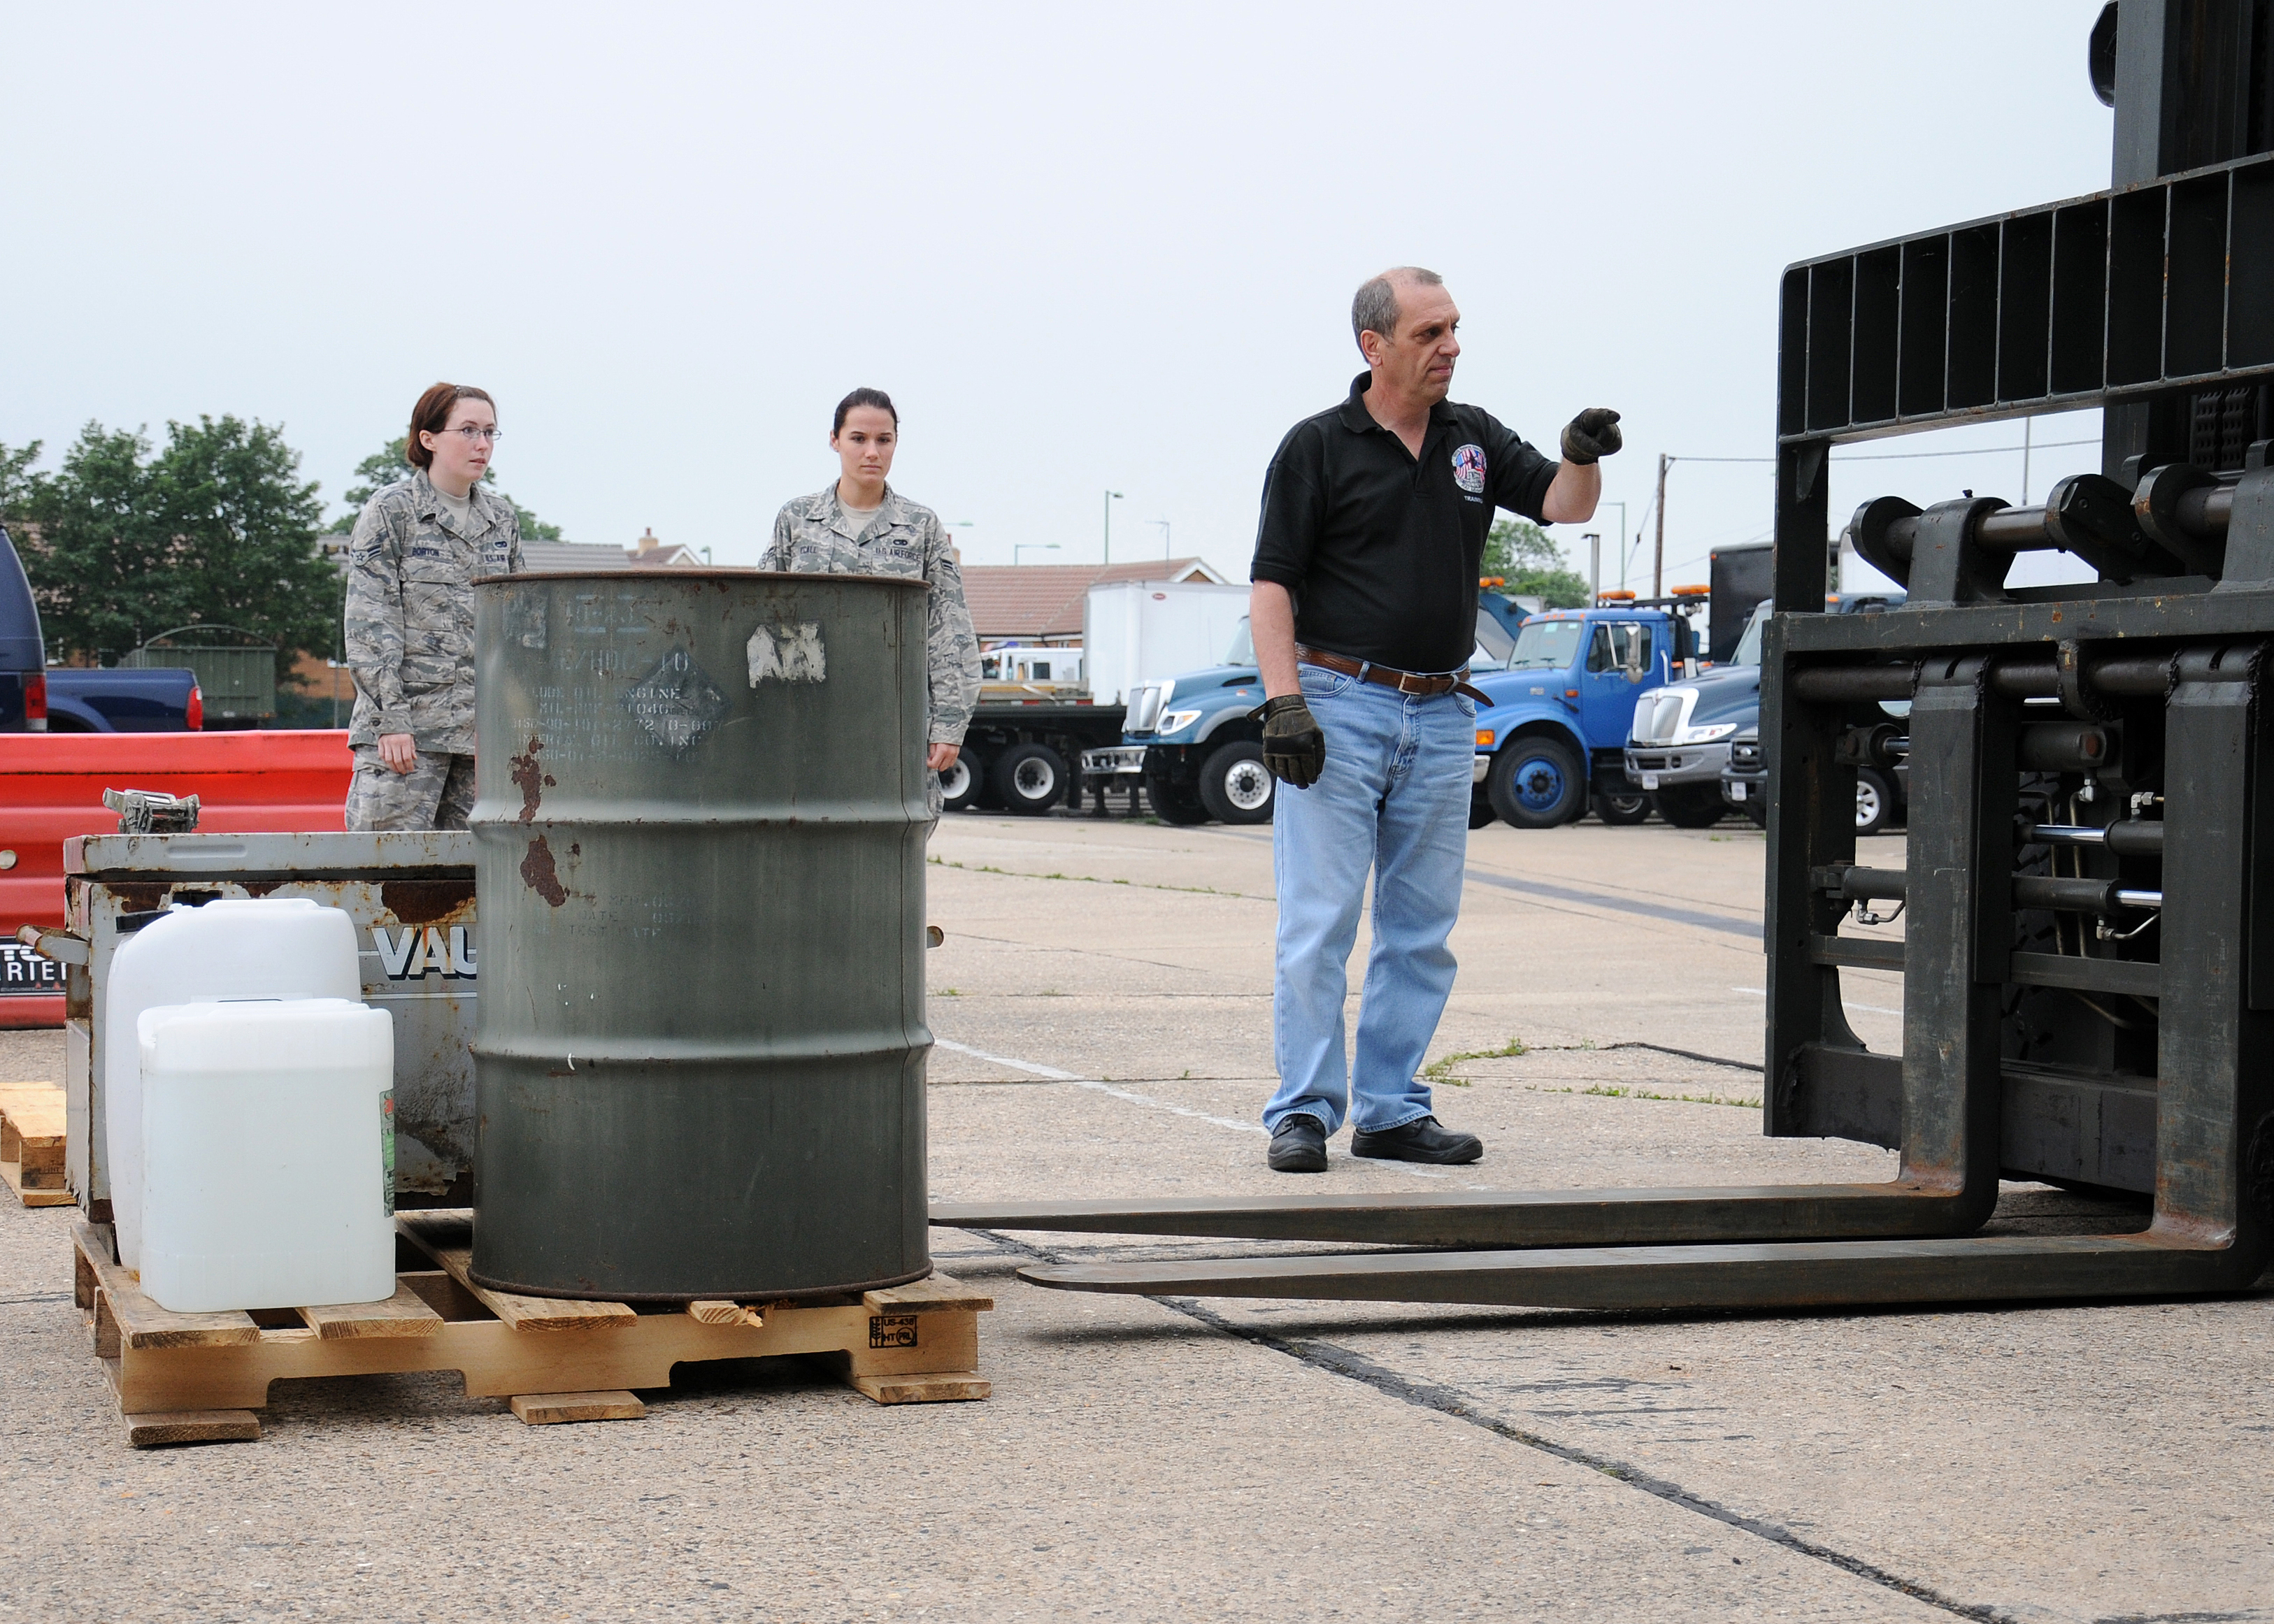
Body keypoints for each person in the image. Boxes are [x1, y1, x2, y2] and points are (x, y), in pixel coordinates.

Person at [1250, 268, 1619, 1173]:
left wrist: (1581, 452)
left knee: (1420, 928)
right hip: (1337, 706)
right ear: (1372, 346)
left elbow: (1566, 505)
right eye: (1429, 333)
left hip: (1445, 709)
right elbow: (1272, 585)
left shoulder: (1472, 439)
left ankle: (1389, 1108)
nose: (1450, 345)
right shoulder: (1317, 447)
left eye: (1455, 329)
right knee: (1320, 921)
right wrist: (1283, 699)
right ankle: (1301, 1110)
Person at [759, 388, 980, 817]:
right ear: (834, 440)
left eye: (884, 440)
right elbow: (763, 623)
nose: (872, 452)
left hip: (894, 724)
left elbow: (948, 631)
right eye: (858, 438)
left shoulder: (920, 528)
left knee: (894, 843)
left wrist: (950, 725)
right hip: (808, 723)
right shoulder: (797, 521)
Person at [343, 383, 524, 831]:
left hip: (481, 742)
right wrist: (391, 722)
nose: (481, 445)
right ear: (429, 439)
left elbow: (521, 628)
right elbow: (371, 624)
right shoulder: (392, 512)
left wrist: (517, 728)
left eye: (489, 433)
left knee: (473, 887)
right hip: (407, 741)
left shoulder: (501, 520)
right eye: (467, 431)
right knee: (387, 880)